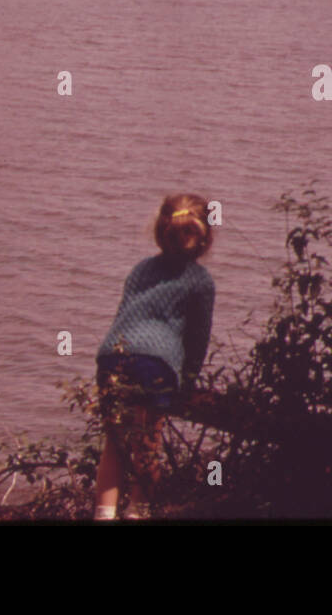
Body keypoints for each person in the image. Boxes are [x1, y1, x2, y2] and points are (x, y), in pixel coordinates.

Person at [93, 194, 215, 520]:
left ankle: (104, 515)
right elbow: (197, 339)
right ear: (205, 239)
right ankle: (137, 512)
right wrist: (188, 382)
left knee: (115, 444)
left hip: (111, 358)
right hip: (154, 365)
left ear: (161, 232)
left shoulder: (141, 269)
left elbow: (123, 316)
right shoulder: (201, 281)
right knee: (146, 444)